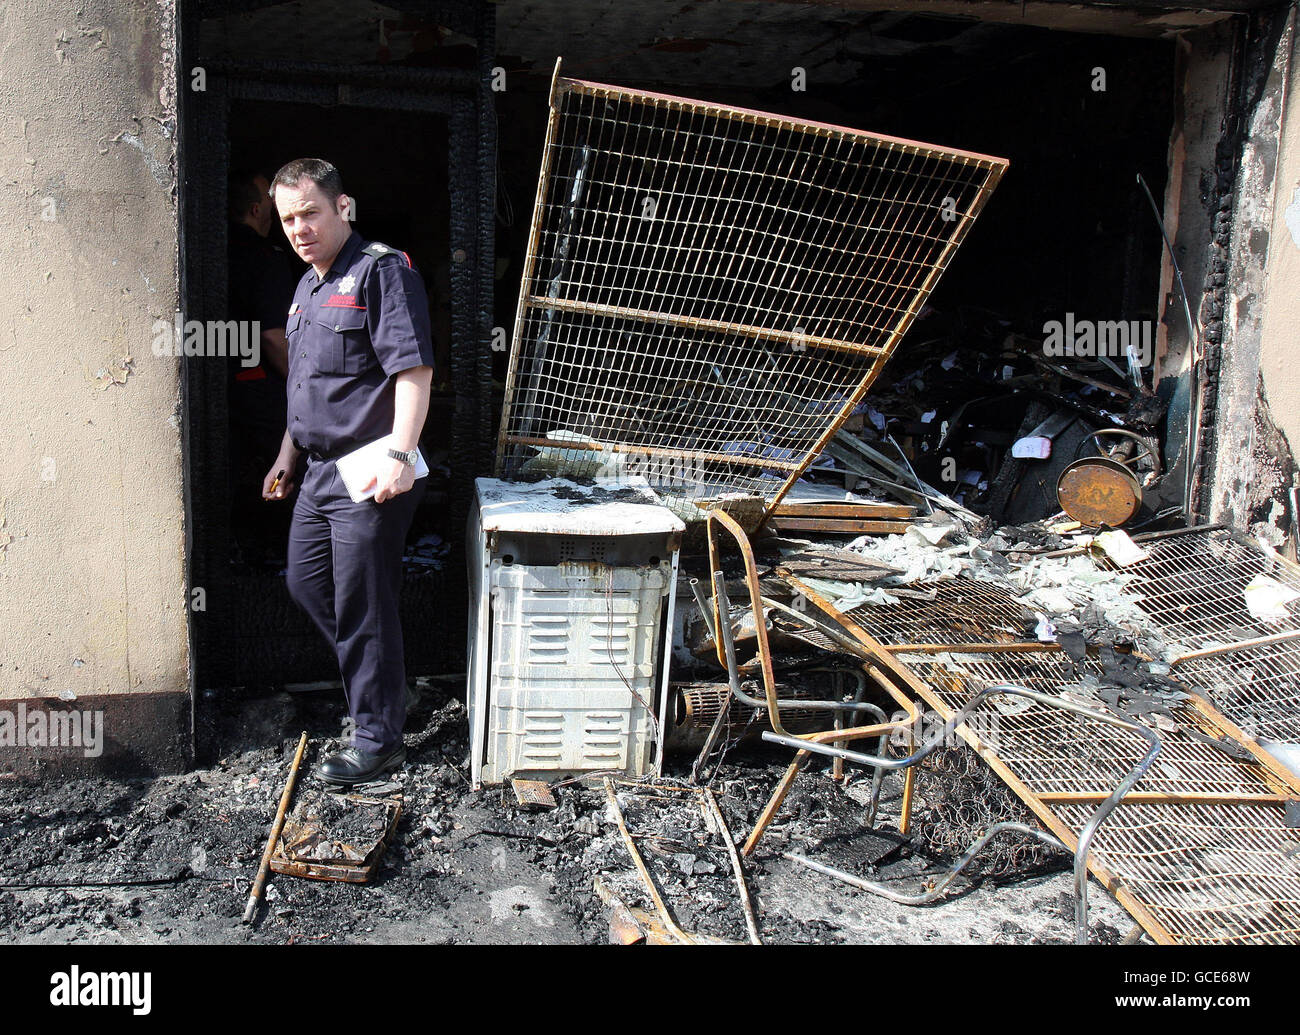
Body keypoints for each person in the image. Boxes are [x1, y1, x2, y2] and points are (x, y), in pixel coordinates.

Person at [262, 158, 435, 785]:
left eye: (310, 212)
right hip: (316, 471)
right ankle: (389, 685)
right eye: (287, 218)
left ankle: (377, 737)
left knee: (362, 605)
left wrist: (399, 454)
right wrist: (286, 454)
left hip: (370, 466)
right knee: (307, 585)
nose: (299, 228)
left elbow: (413, 371)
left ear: (344, 207)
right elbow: (307, 386)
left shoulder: (382, 272)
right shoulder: (307, 286)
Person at [227, 169, 298, 565]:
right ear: (256, 210)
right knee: (280, 475)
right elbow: (274, 337)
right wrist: (304, 384)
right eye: (272, 207)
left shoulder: (211, 249)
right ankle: (278, 561)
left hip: (219, 386)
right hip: (260, 388)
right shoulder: (265, 258)